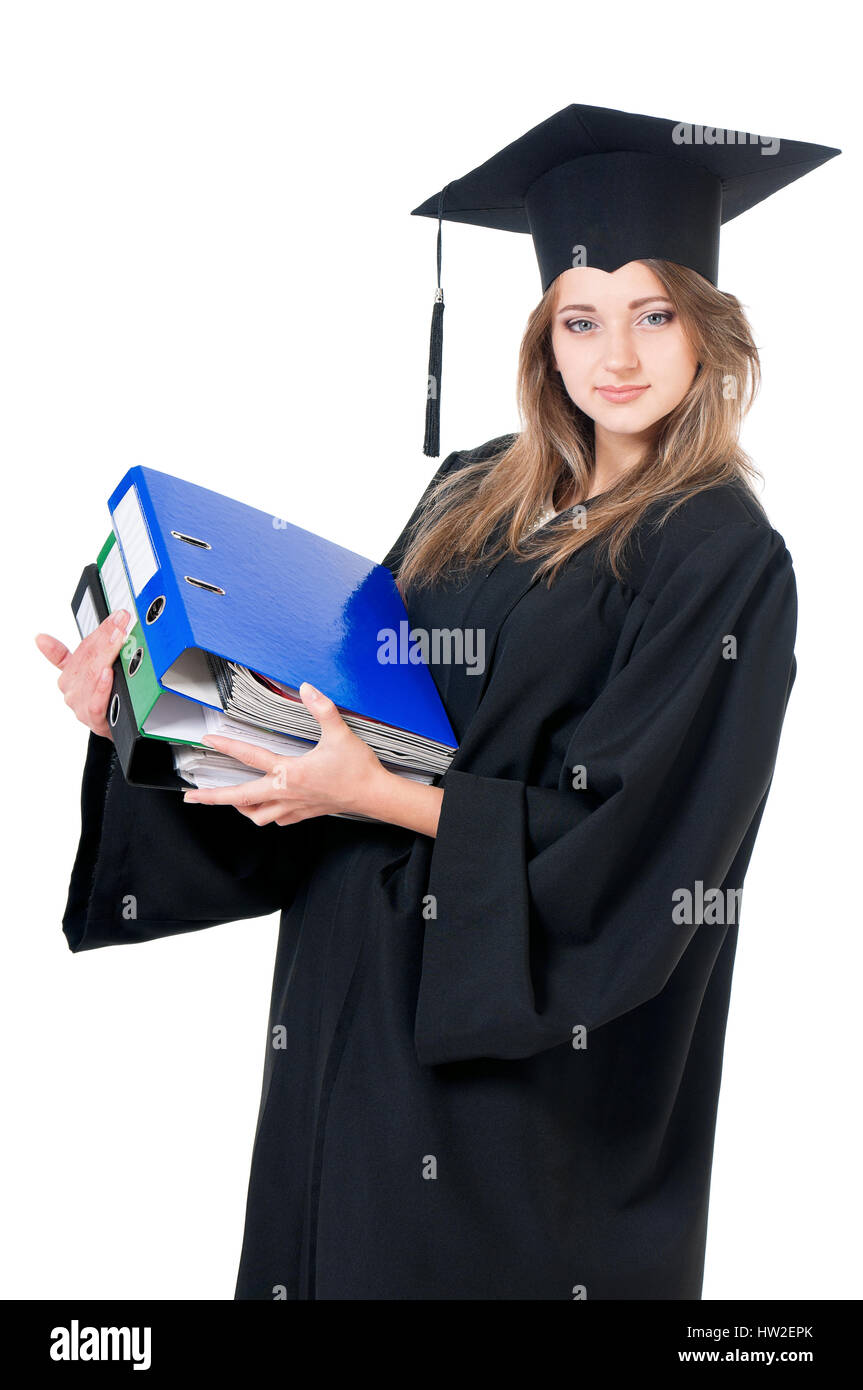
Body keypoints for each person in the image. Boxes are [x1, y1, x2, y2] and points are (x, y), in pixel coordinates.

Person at [37, 105, 838, 1300]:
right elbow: (345, 714)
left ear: (708, 331)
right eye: (581, 319)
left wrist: (383, 796)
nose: (615, 355)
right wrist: (147, 710)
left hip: (507, 1077)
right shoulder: (471, 489)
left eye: (653, 314)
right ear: (543, 338)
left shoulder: (720, 555)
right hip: (346, 1014)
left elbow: (638, 850)